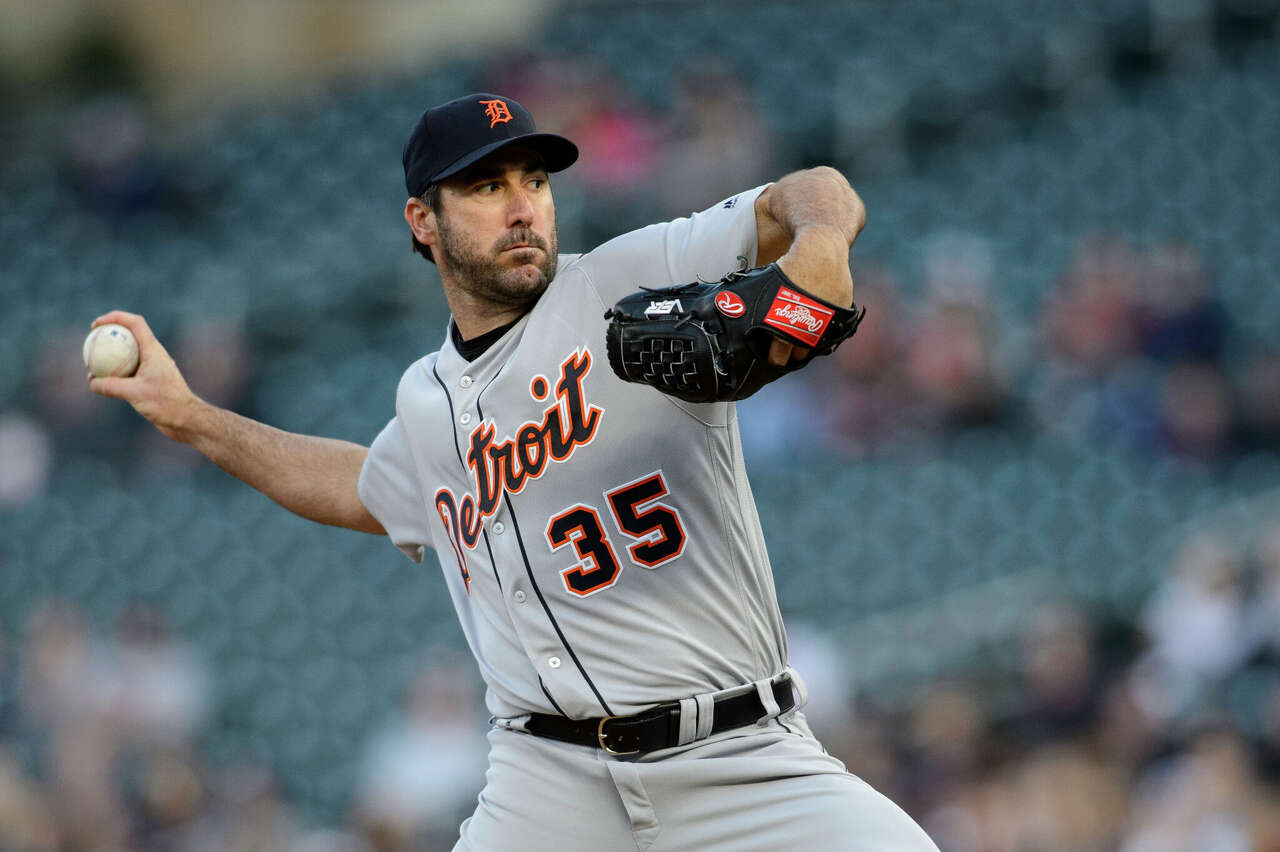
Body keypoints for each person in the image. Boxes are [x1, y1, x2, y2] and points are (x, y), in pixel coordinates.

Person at [89, 92, 937, 851]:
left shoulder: (627, 277)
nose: (523, 206)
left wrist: (821, 240)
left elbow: (817, 186)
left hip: (739, 756)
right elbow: (358, 488)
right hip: (549, 784)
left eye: (534, 180)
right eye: (488, 188)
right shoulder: (426, 400)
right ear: (424, 220)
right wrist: (191, 418)